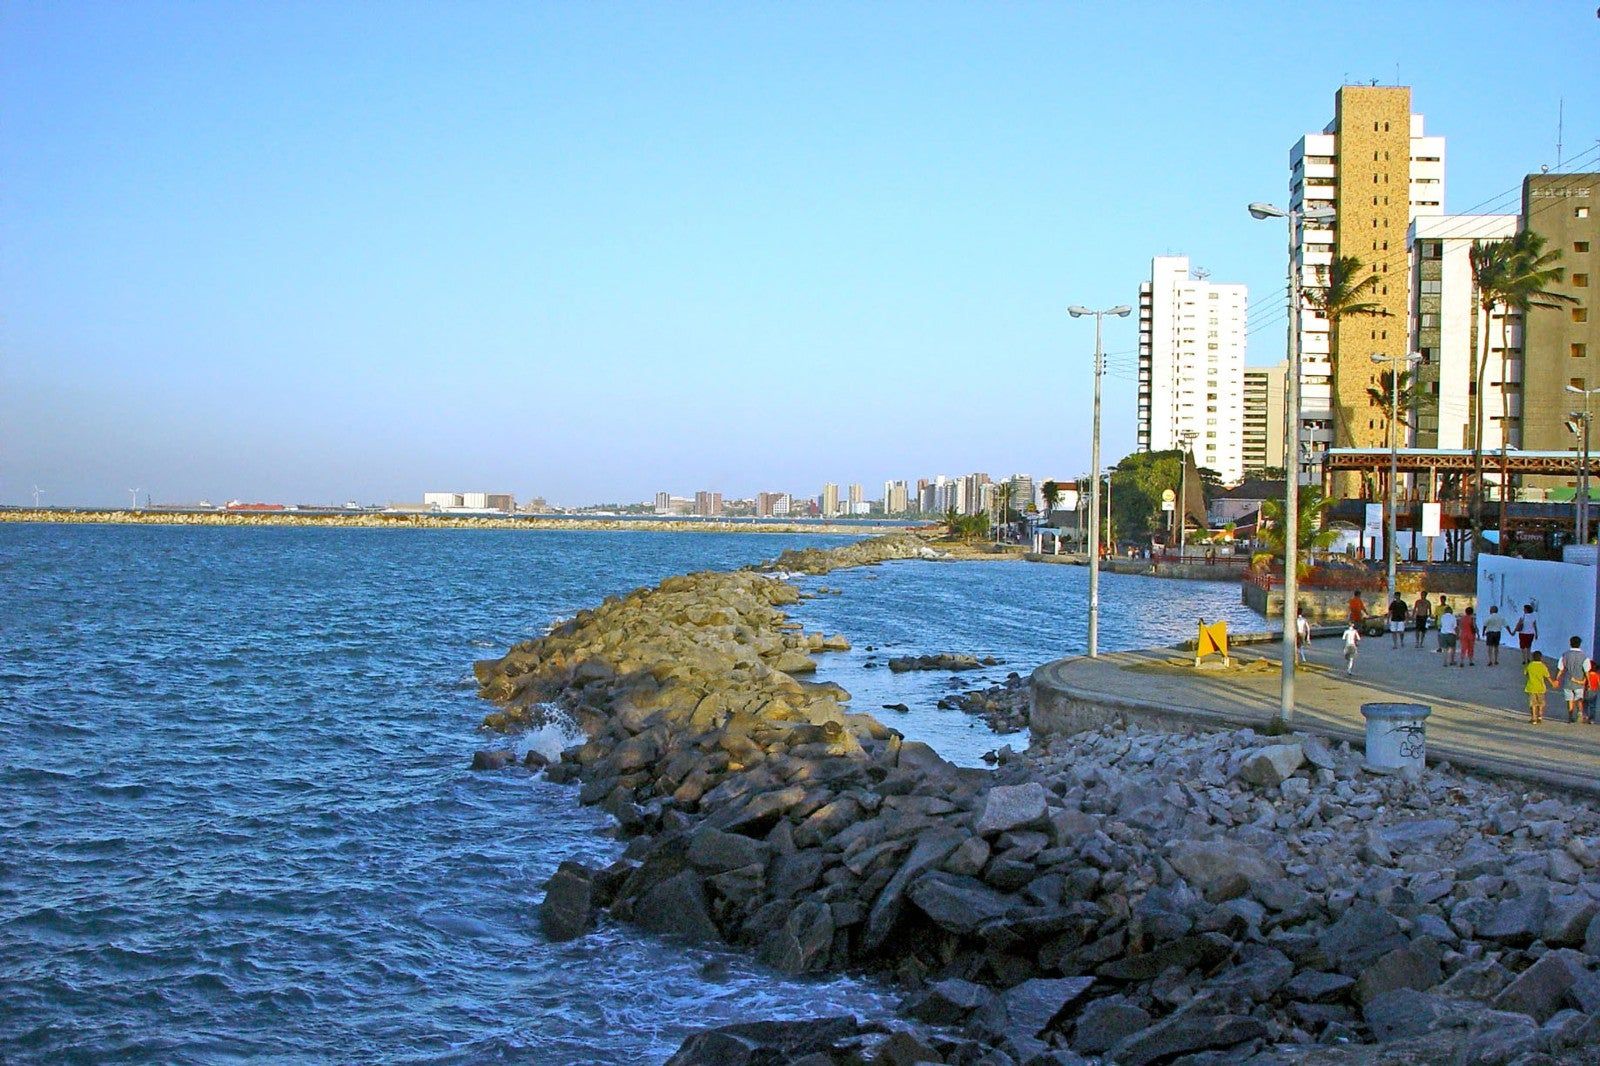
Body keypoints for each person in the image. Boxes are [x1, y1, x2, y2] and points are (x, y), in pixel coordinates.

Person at [1556, 636, 1589, 724]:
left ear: (1570, 643)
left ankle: (1570, 717)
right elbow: (1586, 671)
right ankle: (1580, 714)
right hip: (1579, 681)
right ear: (1580, 644)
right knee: (1579, 699)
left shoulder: (1565, 655)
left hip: (1568, 681)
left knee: (1569, 699)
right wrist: (1588, 682)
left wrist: (1557, 679)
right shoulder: (1584, 657)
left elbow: (1561, 668)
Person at [1524, 651, 1555, 724]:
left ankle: (1534, 718)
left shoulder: (1530, 665)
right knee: (1541, 703)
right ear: (1541, 658)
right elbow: (1547, 676)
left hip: (1531, 687)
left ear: (1533, 657)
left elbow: (1526, 673)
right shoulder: (1543, 666)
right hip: (1541, 688)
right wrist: (1553, 683)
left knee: (1533, 704)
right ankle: (1540, 716)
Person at [1585, 658, 1599, 726]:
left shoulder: (1587, 675)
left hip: (1587, 690)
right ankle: (1592, 719)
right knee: (1593, 706)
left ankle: (1586, 716)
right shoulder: (1597, 675)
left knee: (1585, 704)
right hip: (1594, 690)